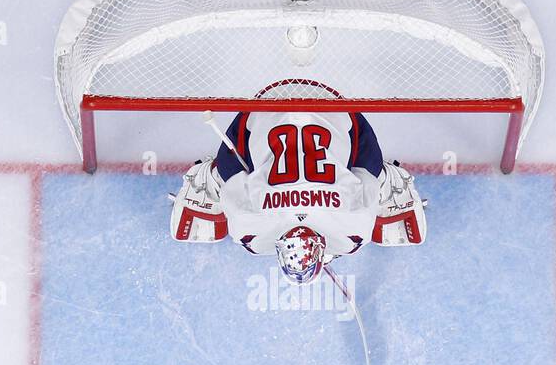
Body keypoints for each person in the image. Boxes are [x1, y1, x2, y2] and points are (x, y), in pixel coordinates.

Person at [169, 107, 426, 284]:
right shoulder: (249, 232)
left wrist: (351, 113)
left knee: (370, 180)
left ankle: (392, 184)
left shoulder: (356, 228)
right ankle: (206, 181)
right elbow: (230, 167)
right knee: (231, 181)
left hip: (335, 102)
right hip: (262, 102)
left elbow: (369, 163)